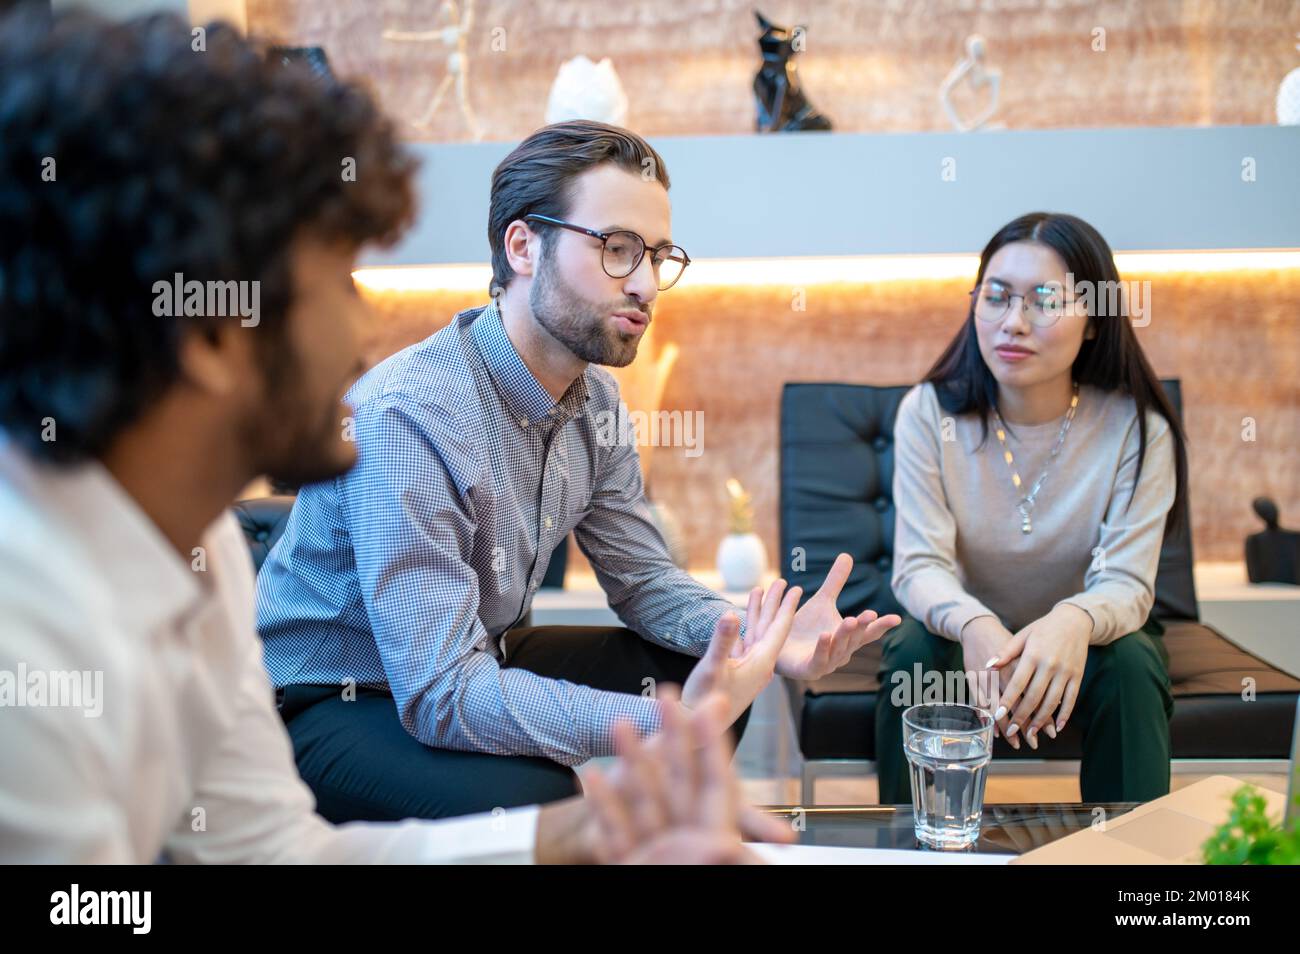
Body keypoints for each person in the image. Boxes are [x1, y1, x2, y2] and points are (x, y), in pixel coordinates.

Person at [0, 7, 793, 864]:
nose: (364, 331)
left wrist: (587, 826)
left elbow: (273, 851)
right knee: (548, 777)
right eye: (334, 283)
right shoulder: (29, 631)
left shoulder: (208, 560)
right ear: (210, 332)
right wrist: (651, 739)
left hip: (452, 659)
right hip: (343, 698)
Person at [256, 118, 902, 820]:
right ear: (524, 245)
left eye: (658, 255)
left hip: (476, 653)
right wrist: (670, 723)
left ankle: (636, 838)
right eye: (619, 250)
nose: (648, 285)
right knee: (543, 799)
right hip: (328, 701)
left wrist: (751, 637)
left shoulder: (596, 400)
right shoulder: (410, 414)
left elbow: (646, 583)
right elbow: (439, 694)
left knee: (699, 672)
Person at [876, 212, 1187, 805]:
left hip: (1089, 638)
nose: (1012, 323)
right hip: (967, 636)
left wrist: (1072, 621)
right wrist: (974, 625)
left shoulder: (1137, 429)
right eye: (995, 298)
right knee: (913, 652)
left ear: (1095, 320)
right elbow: (919, 567)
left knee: (1131, 666)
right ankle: (911, 848)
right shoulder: (927, 414)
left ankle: (1130, 866)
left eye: (1045, 302)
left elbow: (1125, 581)